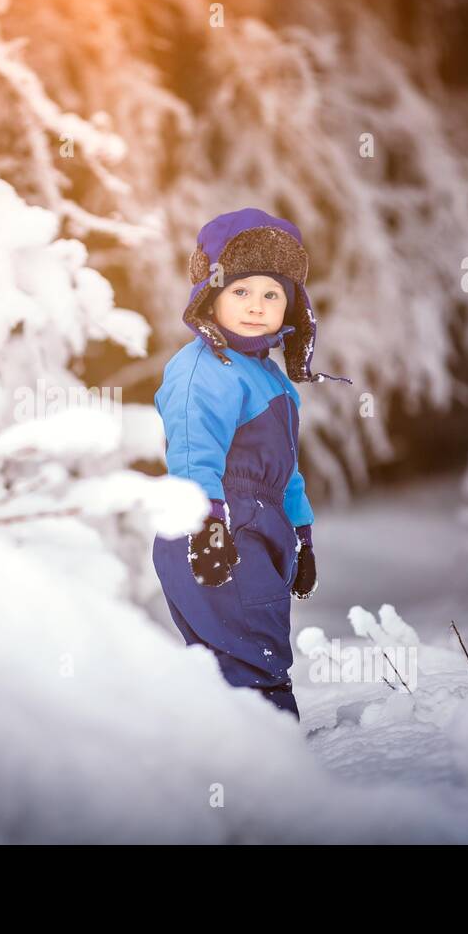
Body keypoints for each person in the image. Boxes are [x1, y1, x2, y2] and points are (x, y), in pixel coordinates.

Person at [151, 207, 352, 720]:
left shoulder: (265, 374)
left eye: (272, 294)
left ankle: (226, 750)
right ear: (210, 295)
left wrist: (301, 533)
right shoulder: (205, 370)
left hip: (253, 523)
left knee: (240, 649)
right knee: (252, 654)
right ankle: (272, 759)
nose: (257, 306)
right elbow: (194, 453)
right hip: (216, 523)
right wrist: (208, 524)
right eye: (240, 291)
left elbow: (283, 468)